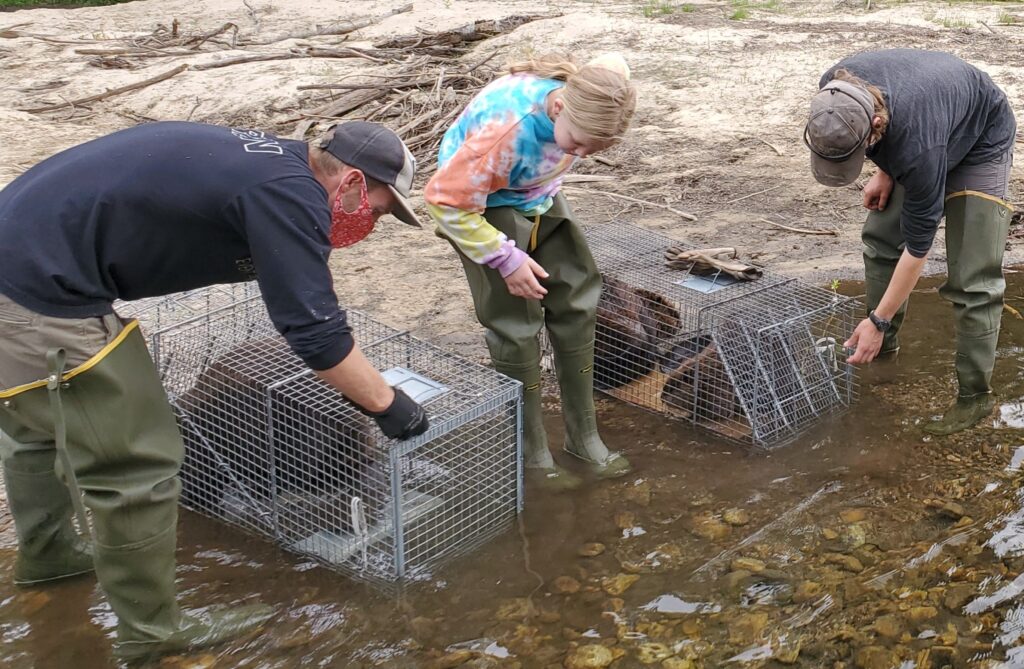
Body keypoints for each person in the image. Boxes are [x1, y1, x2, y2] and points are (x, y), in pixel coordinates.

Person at [0, 120, 430, 661]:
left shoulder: (276, 164)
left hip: (19, 252)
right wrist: (388, 405)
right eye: (381, 207)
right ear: (351, 182)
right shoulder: (288, 195)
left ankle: (49, 557)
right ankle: (153, 633)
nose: (373, 220)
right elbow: (315, 331)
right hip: (33, 289)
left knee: (36, 420)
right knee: (140, 460)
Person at [424, 52, 637, 489]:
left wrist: (570, 152)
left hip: (536, 192)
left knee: (578, 296)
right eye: (576, 144)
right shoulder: (504, 134)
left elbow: (614, 60)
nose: (580, 154)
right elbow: (443, 202)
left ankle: (584, 437)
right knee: (516, 320)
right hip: (482, 207)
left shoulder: (598, 93)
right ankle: (531, 451)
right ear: (559, 108)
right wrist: (506, 258)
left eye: (592, 150)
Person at [804, 49, 1017, 435]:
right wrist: (885, 171)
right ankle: (880, 350)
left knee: (973, 279)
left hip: (982, 137)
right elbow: (887, 136)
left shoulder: (918, 148)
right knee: (880, 236)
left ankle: (974, 397)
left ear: (877, 122)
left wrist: (878, 319)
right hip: (926, 126)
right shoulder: (834, 92)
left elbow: (918, 249)